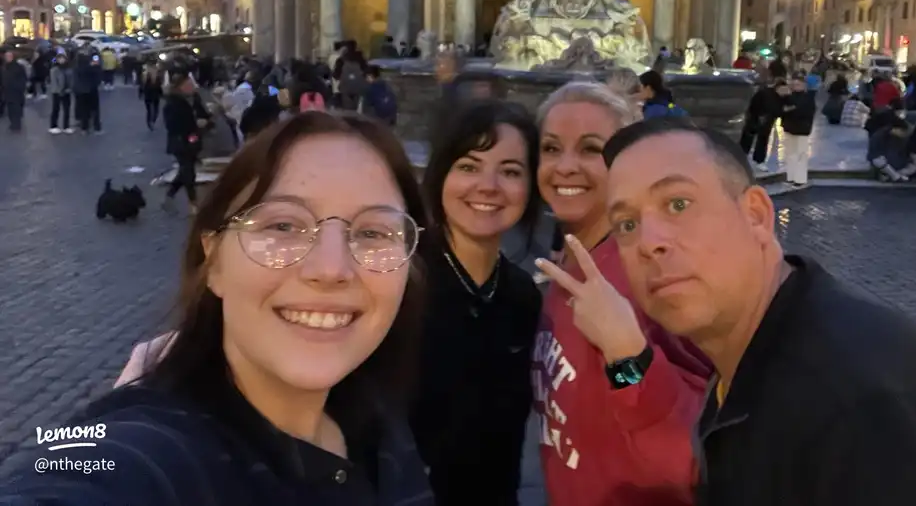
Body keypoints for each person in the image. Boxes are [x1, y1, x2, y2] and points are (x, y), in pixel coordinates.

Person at [599, 115, 916, 506]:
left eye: (678, 203)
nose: (649, 242)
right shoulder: (741, 349)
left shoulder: (867, 410)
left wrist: (623, 362)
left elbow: (655, 426)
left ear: (757, 216)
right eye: (626, 223)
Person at [0, 113, 433, 504]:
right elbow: (66, 469)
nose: (332, 269)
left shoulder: (379, 421)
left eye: (373, 233)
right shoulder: (148, 449)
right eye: (283, 225)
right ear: (214, 262)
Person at [532, 82, 710, 506]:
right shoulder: (573, 261)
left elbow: (693, 449)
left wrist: (624, 357)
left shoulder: (647, 273)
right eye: (551, 149)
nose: (566, 167)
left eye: (591, 149)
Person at [413, 100, 543, 505]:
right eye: (469, 166)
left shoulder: (523, 295)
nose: (488, 186)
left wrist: (623, 361)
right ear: (441, 177)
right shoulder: (400, 279)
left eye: (510, 172)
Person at [162, 73, 211, 214]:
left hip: (194, 140)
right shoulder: (172, 103)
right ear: (179, 87)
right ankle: (193, 203)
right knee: (188, 171)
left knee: (185, 170)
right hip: (180, 142)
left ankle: (170, 194)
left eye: (191, 84)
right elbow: (171, 125)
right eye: (188, 85)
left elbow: (203, 114)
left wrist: (206, 121)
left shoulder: (195, 99)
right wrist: (194, 124)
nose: (191, 87)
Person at [777, 74, 814, 186]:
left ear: (804, 85)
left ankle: (800, 179)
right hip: (790, 128)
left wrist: (790, 110)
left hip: (802, 129)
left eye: (798, 84)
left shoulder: (807, 98)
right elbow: (783, 110)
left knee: (800, 154)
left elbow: (802, 111)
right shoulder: (789, 97)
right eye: (794, 84)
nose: (796, 86)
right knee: (791, 153)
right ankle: (791, 176)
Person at [0, 48, 28, 132]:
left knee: (16, 108)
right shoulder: (5, 66)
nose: (7, 57)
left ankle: (16, 124)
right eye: (6, 56)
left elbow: (23, 78)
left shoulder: (18, 67)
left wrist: (19, 87)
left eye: (8, 56)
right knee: (10, 108)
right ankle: (13, 123)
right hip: (7, 91)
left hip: (15, 91)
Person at [48, 52, 74, 134]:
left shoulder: (69, 69)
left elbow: (71, 80)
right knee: (56, 109)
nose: (61, 60)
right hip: (57, 92)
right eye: (60, 59)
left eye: (63, 58)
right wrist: (59, 91)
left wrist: (70, 88)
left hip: (67, 91)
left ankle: (66, 126)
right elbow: (54, 82)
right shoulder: (54, 70)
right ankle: (53, 126)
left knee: (67, 109)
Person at [142, 64, 164, 131]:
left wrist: (161, 94)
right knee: (149, 111)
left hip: (155, 96)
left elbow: (160, 87)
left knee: (156, 111)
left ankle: (152, 121)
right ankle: (149, 122)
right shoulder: (146, 78)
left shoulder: (158, 79)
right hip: (148, 96)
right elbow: (142, 87)